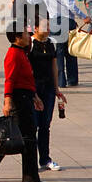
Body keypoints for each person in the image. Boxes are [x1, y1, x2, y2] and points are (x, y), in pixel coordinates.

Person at [24, 0, 92, 89]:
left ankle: (61, 81)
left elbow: (32, 0)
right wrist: (84, 16)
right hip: (68, 20)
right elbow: (71, 5)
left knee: (59, 52)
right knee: (71, 50)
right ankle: (73, 79)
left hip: (55, 21)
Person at [2, 24, 46, 182]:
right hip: (18, 100)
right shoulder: (13, 54)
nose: (29, 36)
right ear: (17, 39)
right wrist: (7, 101)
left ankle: (31, 175)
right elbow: (10, 79)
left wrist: (35, 96)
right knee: (27, 138)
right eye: (25, 35)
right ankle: (30, 177)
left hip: (26, 97)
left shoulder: (21, 52)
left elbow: (26, 79)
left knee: (27, 137)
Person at [29, 16, 66, 173]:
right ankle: (30, 162)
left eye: (49, 26)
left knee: (45, 125)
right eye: (45, 26)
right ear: (36, 28)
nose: (48, 29)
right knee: (33, 125)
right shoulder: (29, 44)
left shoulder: (51, 43)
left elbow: (54, 67)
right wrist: (31, 92)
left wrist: (57, 88)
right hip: (34, 89)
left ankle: (45, 159)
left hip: (48, 88)